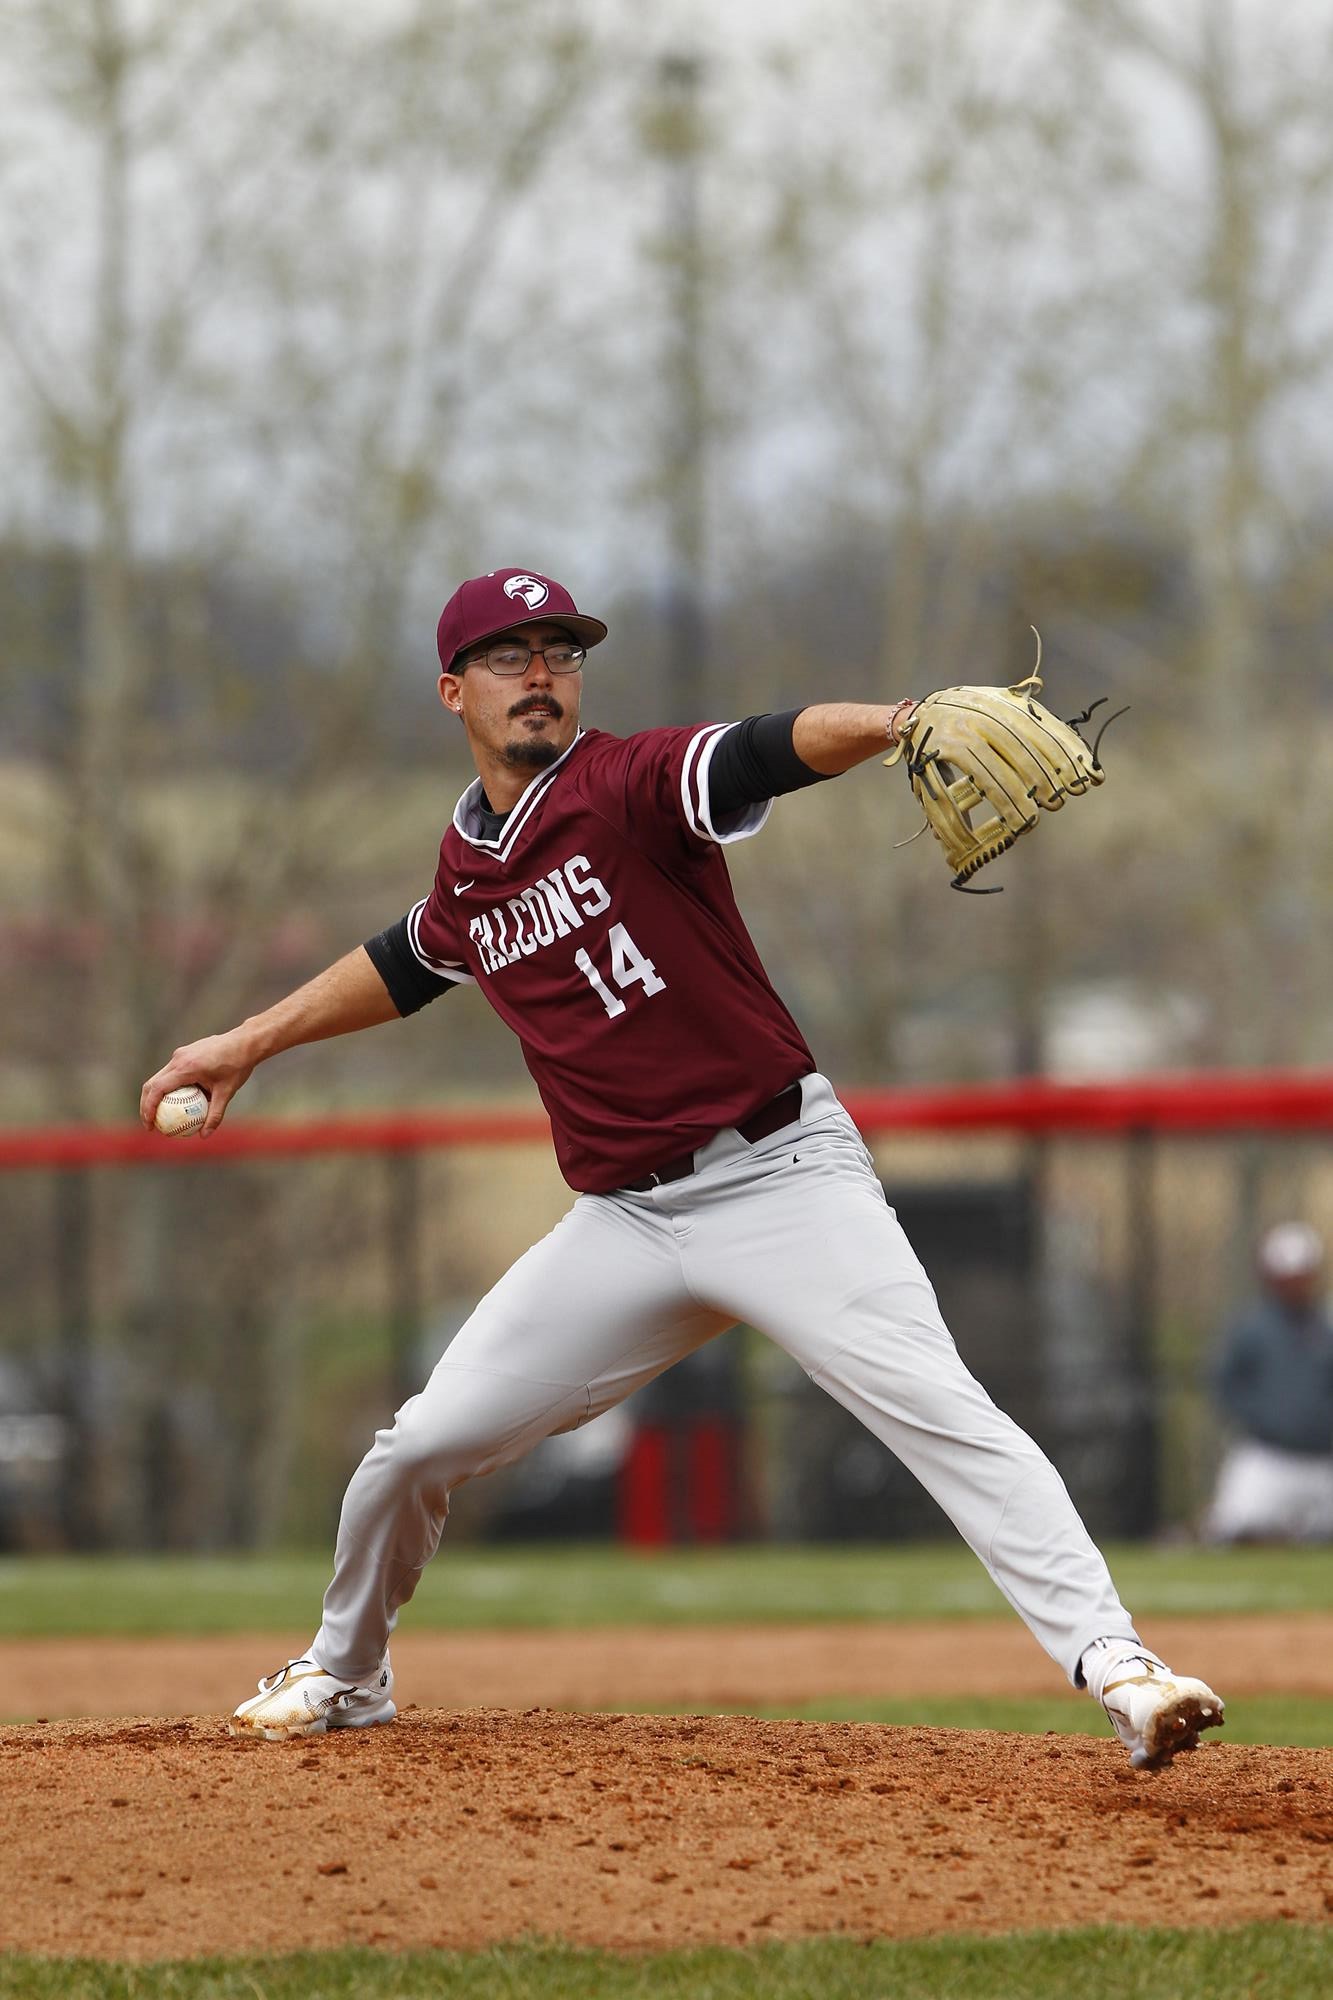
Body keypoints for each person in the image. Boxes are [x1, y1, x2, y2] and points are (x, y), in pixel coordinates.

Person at [141, 565, 1223, 1769]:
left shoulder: (625, 783)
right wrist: (245, 1041)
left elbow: (763, 748)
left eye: (560, 649)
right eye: (509, 655)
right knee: (418, 1446)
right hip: (625, 1226)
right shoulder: (469, 860)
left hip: (781, 1178)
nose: (540, 672)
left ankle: (1120, 1667)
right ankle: (346, 1672)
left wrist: (898, 723)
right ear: (454, 691)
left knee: (939, 1409)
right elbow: (408, 958)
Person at [1202, 1221, 1333, 1544]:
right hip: (1267, 1456)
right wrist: (1261, 1419)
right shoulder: (1250, 1328)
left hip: (1323, 1459)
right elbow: (1224, 1383)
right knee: (1234, 1531)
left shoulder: (1326, 1325)